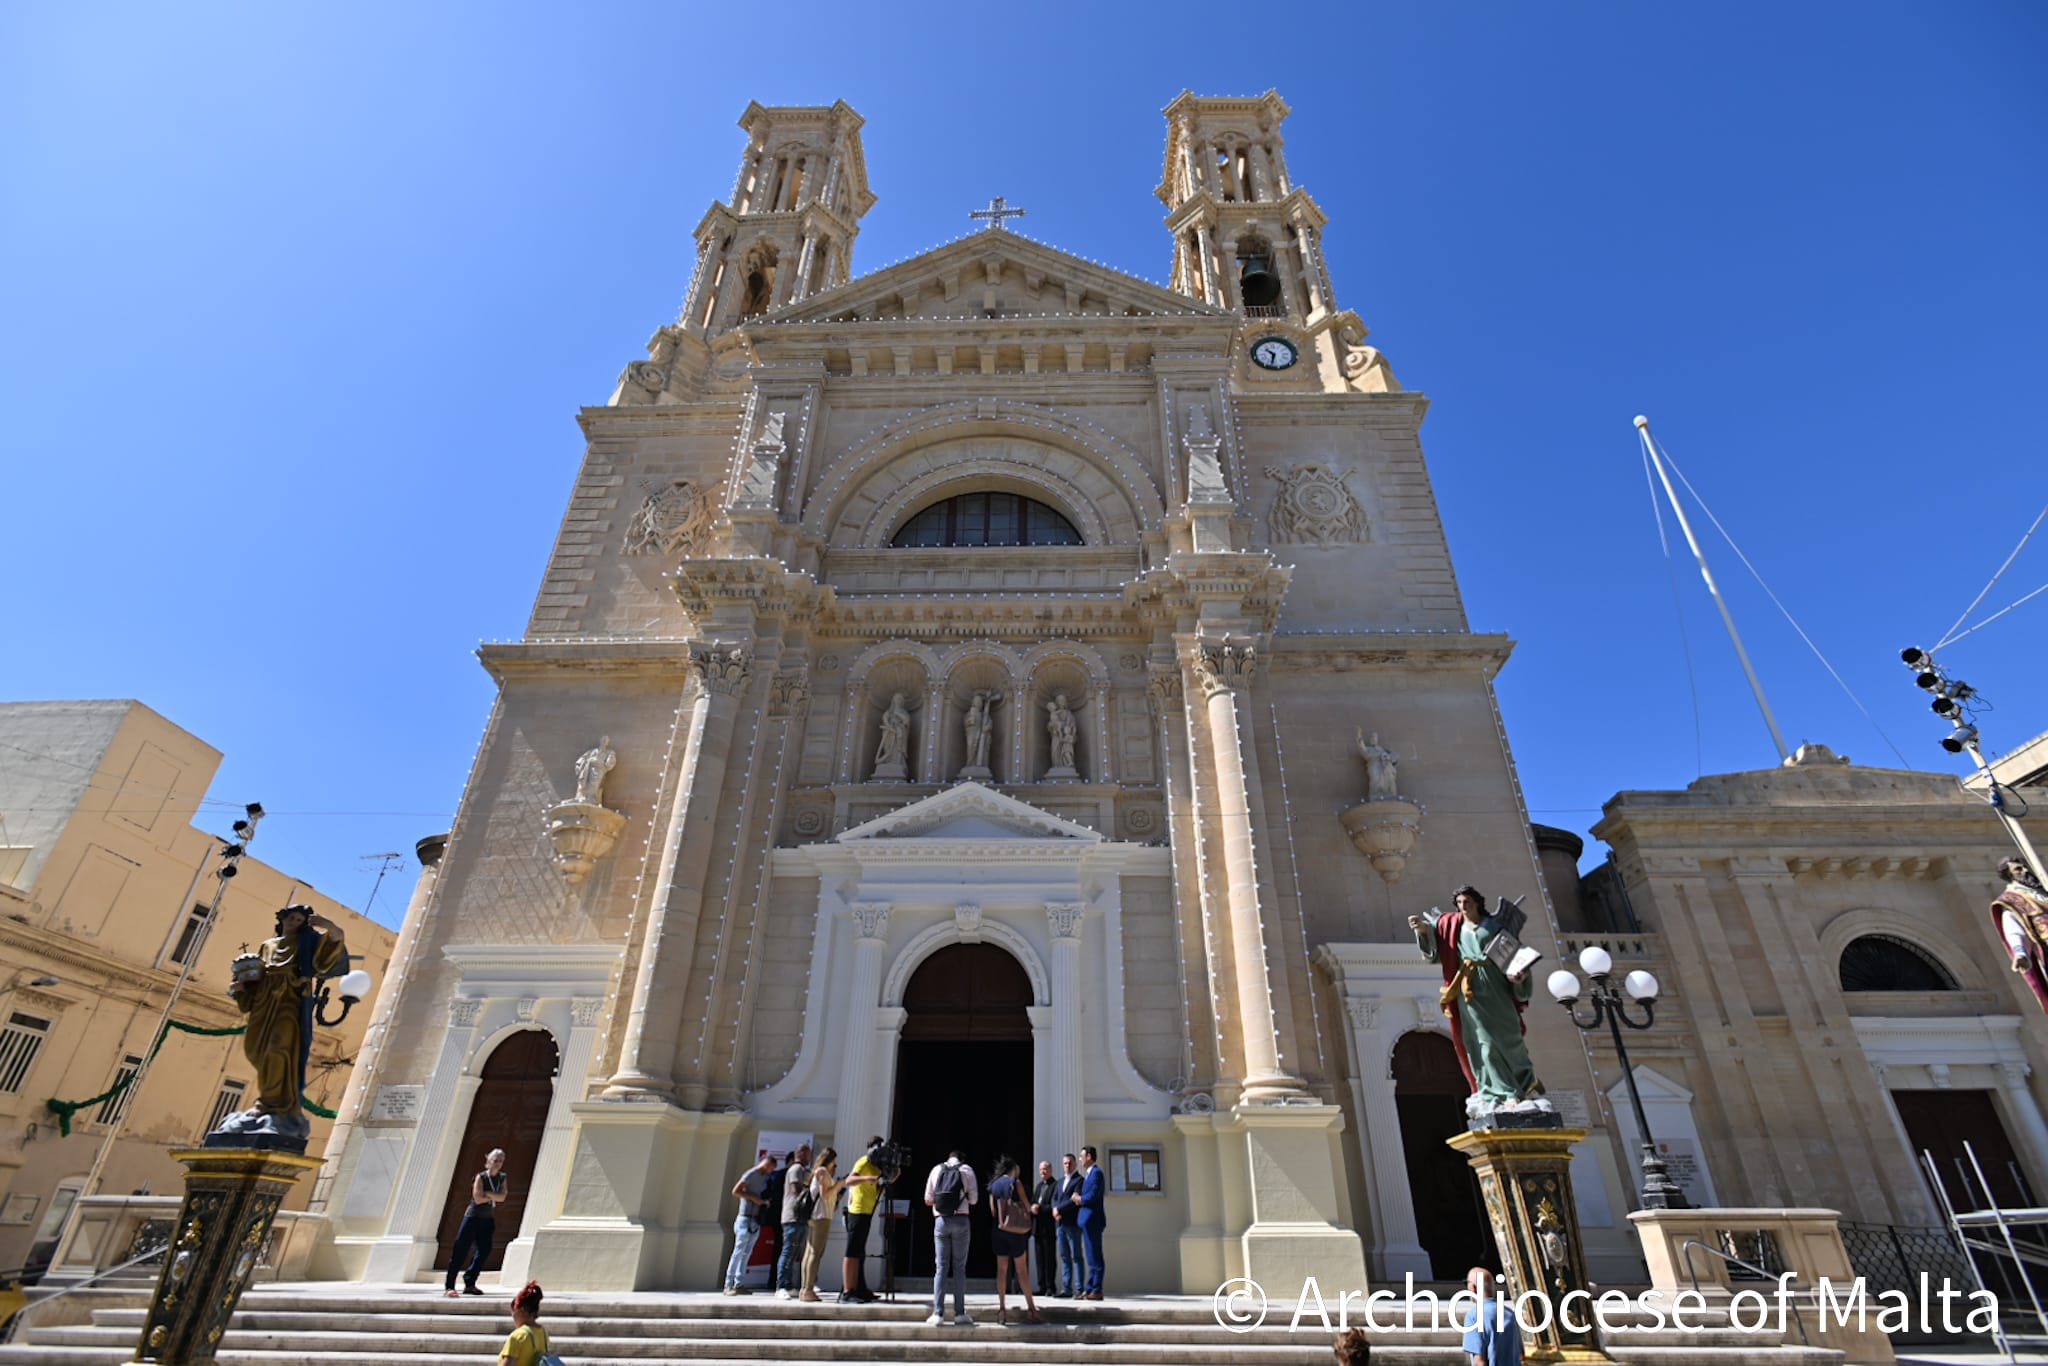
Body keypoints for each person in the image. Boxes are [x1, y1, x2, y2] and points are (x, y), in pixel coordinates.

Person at [1409, 886, 1540, 1108]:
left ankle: (1524, 1083)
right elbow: (1436, 939)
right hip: (1470, 992)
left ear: (1477, 902)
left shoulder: (1495, 927)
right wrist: (1422, 930)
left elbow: (1515, 953)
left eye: (1467, 901)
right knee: (1483, 1042)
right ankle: (1500, 1091)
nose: (1463, 906)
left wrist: (1519, 975)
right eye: (1459, 903)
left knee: (1511, 1037)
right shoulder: (1454, 926)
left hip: (1496, 985)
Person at [226, 903, 347, 1127]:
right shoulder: (267, 945)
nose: (295, 922)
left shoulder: (307, 943)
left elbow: (336, 939)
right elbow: (256, 976)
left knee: (278, 1047)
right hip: (265, 1000)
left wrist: (327, 925)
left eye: (300, 919)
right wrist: (242, 988)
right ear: (282, 919)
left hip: (290, 1001)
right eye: (291, 917)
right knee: (256, 1051)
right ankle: (268, 1099)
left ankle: (271, 1103)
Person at [924, 1149, 979, 1326]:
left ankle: (938, 1313)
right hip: (961, 1220)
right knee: (959, 1268)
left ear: (948, 1158)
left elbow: (927, 1199)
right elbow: (974, 1201)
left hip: (941, 1220)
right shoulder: (967, 1170)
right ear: (962, 1159)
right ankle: (959, 1313)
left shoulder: (936, 1170)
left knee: (940, 1267)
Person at [444, 1149, 507, 1297]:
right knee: (460, 1250)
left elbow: (503, 1197)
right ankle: (449, 1286)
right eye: (495, 1160)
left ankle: (470, 1282)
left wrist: (488, 1194)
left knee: (484, 1251)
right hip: (472, 1217)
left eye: (500, 1161)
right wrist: (493, 1196)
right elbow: (477, 1199)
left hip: (488, 1218)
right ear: (488, 1160)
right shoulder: (481, 1176)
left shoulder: (502, 1177)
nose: (498, 1163)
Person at [988, 1156, 1043, 1325]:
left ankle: (1002, 1309)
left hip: (999, 1231)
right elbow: (1027, 1206)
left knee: (1002, 1271)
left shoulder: (993, 1185)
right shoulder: (1015, 1182)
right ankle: (1032, 1309)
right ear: (1012, 1170)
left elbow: (992, 1211)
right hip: (1016, 1232)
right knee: (1022, 1271)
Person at [1993, 857, 2048, 1013]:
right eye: (2018, 869)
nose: (2025, 871)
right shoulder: (2011, 901)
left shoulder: (2044, 889)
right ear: (2009, 875)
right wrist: (2020, 952)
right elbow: (2014, 928)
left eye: (2025, 867)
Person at [839, 1136, 885, 1304]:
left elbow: (878, 1188)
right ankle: (847, 1291)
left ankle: (860, 1288)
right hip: (857, 1211)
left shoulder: (877, 1165)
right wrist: (867, 1178)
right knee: (852, 1251)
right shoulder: (864, 1161)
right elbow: (849, 1180)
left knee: (860, 1251)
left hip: (867, 1211)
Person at [723, 1153, 775, 1294]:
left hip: (755, 1219)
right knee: (738, 1251)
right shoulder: (751, 1174)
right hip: (744, 1218)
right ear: (767, 1164)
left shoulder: (765, 1178)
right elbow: (736, 1191)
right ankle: (728, 1283)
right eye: (771, 1167)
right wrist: (753, 1198)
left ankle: (739, 1283)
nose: (770, 1171)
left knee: (747, 1253)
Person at [799, 1147, 839, 1302]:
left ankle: (805, 1289)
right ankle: (808, 1289)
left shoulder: (818, 1171)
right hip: (821, 1217)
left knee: (810, 1252)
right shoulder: (823, 1172)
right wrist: (839, 1184)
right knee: (815, 1253)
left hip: (816, 1216)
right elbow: (825, 1195)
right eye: (834, 1161)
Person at [775, 1143, 813, 1299]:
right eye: (809, 1153)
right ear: (802, 1153)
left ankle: (789, 1284)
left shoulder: (804, 1170)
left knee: (794, 1252)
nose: (810, 1157)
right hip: (793, 1216)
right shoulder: (796, 1169)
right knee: (788, 1251)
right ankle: (781, 1286)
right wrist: (810, 1187)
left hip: (801, 1217)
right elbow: (795, 1189)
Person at [1462, 1267, 1522, 1365]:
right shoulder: (1510, 1314)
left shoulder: (1473, 1316)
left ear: (1473, 1287)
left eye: (1466, 1283)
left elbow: (1479, 1362)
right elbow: (1520, 1353)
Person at [1071, 1145, 1107, 1300]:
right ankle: (1090, 1288)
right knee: (1090, 1255)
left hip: (1093, 1219)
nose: (1080, 1159)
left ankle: (1096, 1289)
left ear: (1089, 1157)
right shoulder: (1089, 1174)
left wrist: (1079, 1199)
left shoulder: (1096, 1173)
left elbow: (1093, 1195)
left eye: (1081, 1156)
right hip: (1087, 1220)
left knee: (1095, 1255)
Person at [497, 1280, 552, 1366]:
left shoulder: (518, 1336)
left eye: (513, 1311)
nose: (513, 1315)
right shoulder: (543, 1332)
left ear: (522, 1310)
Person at [1052, 1152, 1083, 1297]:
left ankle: (1079, 1289)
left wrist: (1059, 1209)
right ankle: (1066, 1288)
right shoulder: (1059, 1182)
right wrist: (1054, 1209)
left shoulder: (1079, 1181)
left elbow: (1074, 1200)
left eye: (1070, 1163)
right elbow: (1055, 1198)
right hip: (1060, 1224)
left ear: (1075, 1164)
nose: (1067, 1165)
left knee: (1076, 1256)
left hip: (1072, 1223)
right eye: (1065, 1163)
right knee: (1064, 1256)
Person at [1030, 1159, 1058, 1296]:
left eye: (1045, 1169)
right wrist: (1032, 1207)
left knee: (1049, 1258)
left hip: (1048, 1228)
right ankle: (1041, 1286)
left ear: (1051, 1170)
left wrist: (1039, 1208)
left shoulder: (1055, 1185)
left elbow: (1054, 1205)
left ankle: (1050, 1286)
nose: (1043, 1172)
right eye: (1041, 1169)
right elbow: (1033, 1201)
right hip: (1037, 1228)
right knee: (1039, 1258)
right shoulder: (1039, 1186)